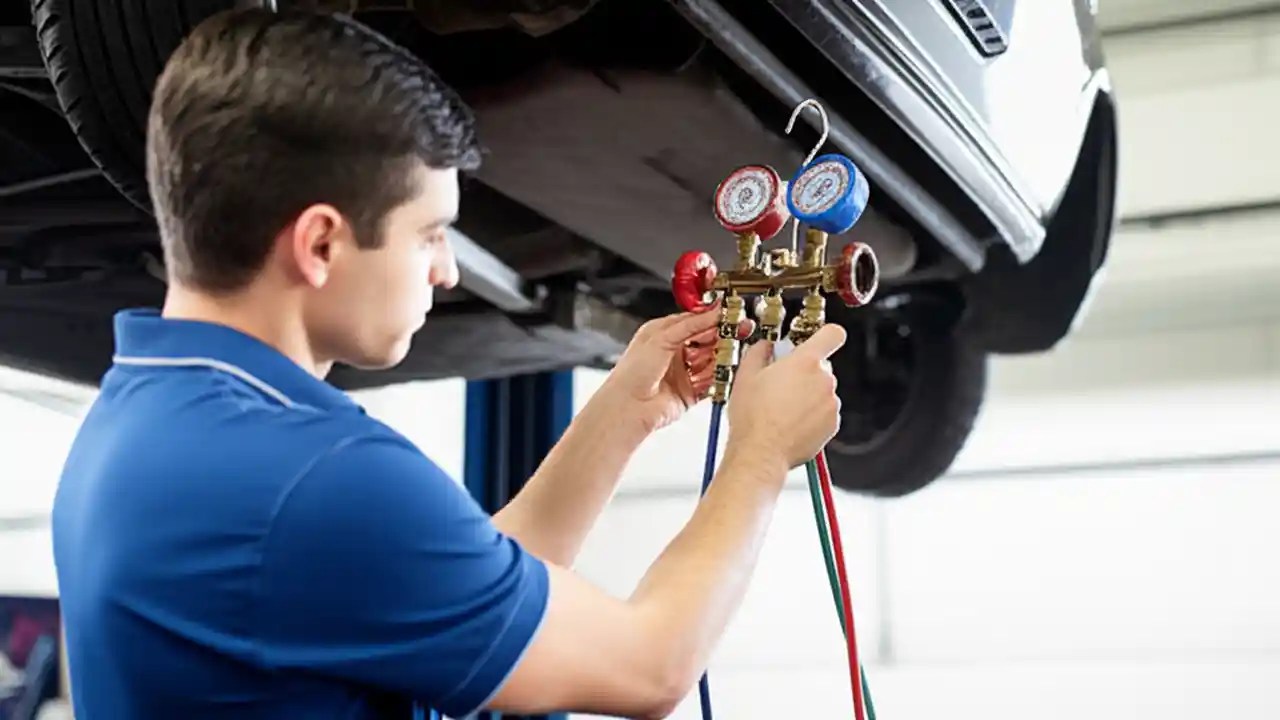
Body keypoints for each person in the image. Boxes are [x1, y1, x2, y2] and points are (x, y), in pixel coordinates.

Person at [50, 7, 847, 720]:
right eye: (430, 234)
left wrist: (624, 416)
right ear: (321, 243)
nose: (448, 271)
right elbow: (649, 668)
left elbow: (447, 583)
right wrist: (759, 454)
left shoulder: (144, 415)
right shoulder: (317, 476)